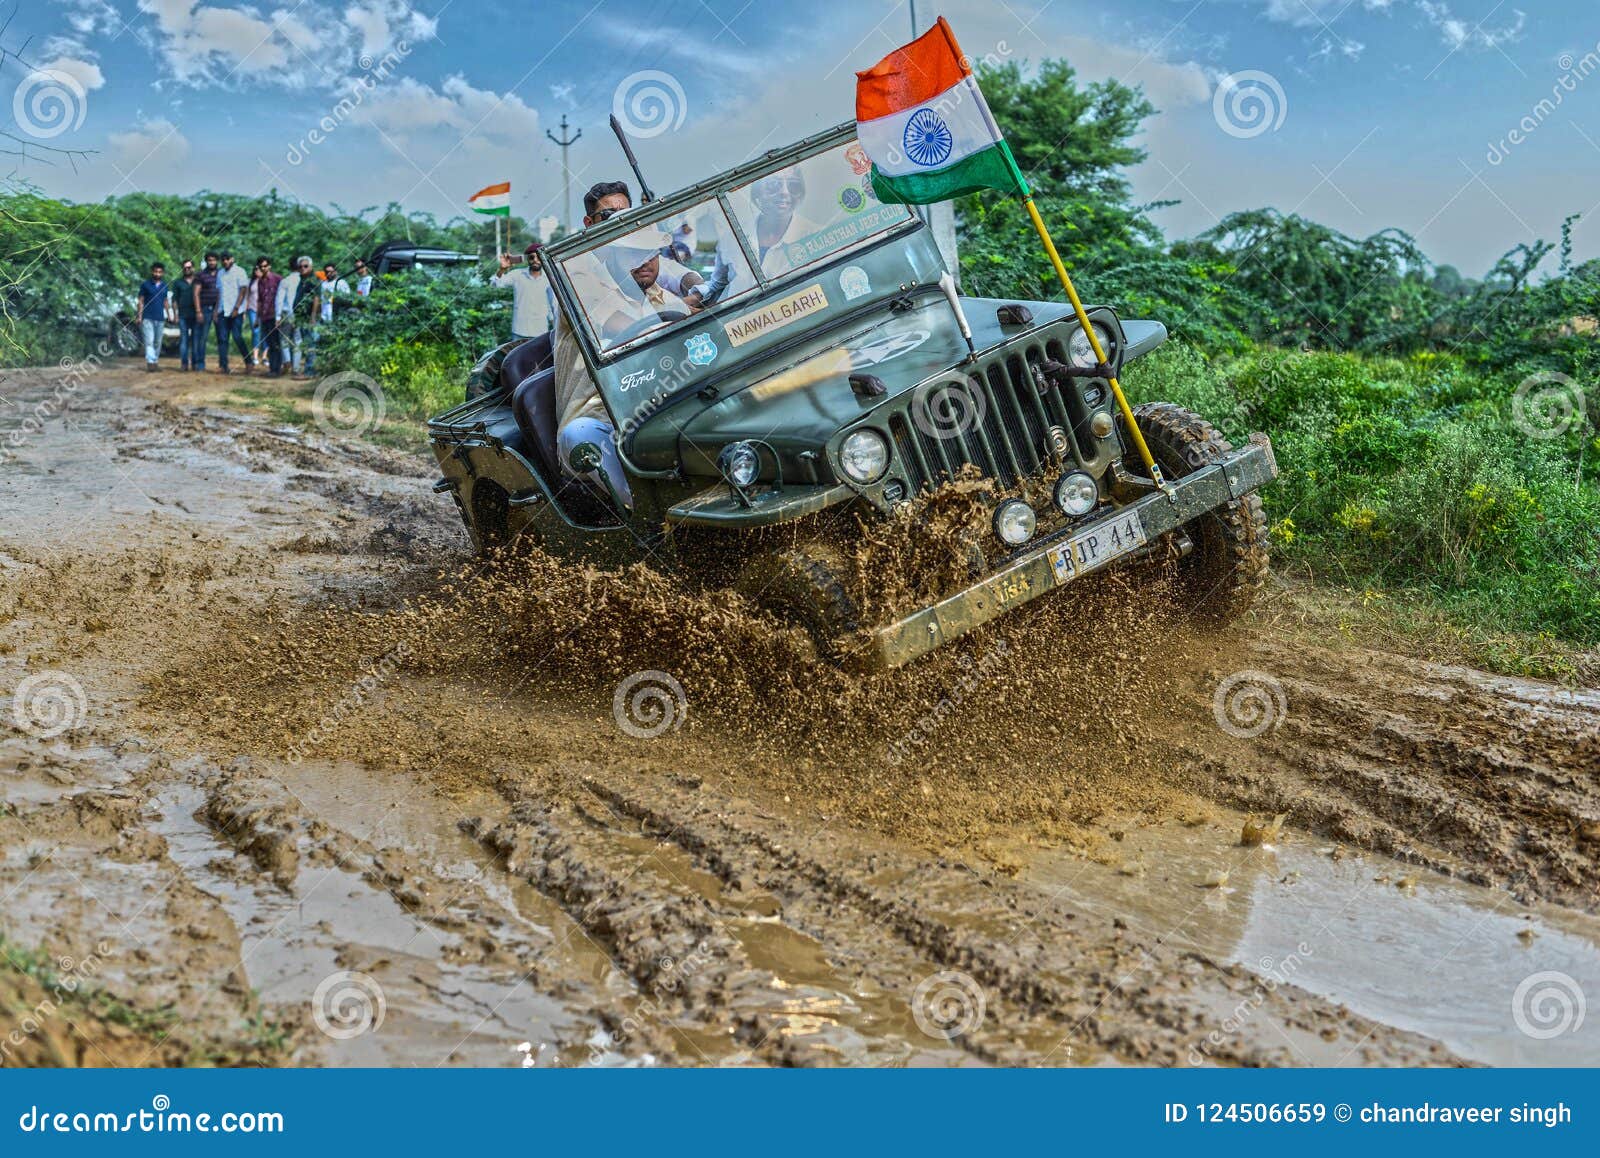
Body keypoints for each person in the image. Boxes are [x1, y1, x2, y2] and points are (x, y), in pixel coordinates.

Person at [490, 242, 552, 341]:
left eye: (539, 257)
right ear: (528, 259)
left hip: (541, 331)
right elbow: (495, 285)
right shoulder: (517, 275)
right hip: (519, 331)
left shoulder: (549, 278)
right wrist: (501, 269)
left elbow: (552, 303)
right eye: (532, 257)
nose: (535, 260)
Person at [213, 251, 251, 374]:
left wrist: (237, 307)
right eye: (223, 259)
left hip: (236, 311)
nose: (225, 261)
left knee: (237, 336)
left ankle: (248, 362)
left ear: (232, 259)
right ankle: (223, 365)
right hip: (223, 310)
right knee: (223, 338)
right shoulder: (220, 273)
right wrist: (216, 310)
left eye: (227, 259)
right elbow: (219, 292)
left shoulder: (240, 271)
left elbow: (243, 290)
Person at [136, 263, 171, 371]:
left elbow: (165, 301)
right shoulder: (145, 285)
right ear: (152, 272)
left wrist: (169, 315)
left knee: (157, 342)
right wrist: (139, 316)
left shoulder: (165, 285)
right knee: (149, 341)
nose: (157, 274)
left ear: (162, 273)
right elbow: (140, 301)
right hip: (147, 317)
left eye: (160, 272)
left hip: (160, 318)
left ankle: (155, 362)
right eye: (155, 271)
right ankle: (150, 363)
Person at [255, 257, 284, 377]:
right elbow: (260, 300)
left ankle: (276, 369)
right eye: (261, 266)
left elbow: (282, 297)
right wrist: (257, 317)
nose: (263, 268)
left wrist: (281, 315)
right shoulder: (260, 281)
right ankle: (273, 368)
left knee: (276, 342)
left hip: (275, 315)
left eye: (265, 266)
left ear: (269, 266)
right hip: (265, 315)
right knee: (270, 342)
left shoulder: (278, 279)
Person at [192, 252, 221, 370]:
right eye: (209, 260)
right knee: (202, 337)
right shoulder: (200, 275)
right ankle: (200, 364)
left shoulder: (221, 274)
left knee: (222, 337)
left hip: (220, 309)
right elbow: (195, 293)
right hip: (205, 309)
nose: (212, 262)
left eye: (214, 260)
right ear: (206, 261)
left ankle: (223, 364)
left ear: (217, 261)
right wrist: (198, 311)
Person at [174, 260, 201, 371]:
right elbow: (174, 300)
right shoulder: (178, 283)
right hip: (182, 315)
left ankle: (194, 363)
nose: (187, 270)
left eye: (189, 267)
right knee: (184, 339)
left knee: (195, 340)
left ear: (193, 268)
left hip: (196, 314)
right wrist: (175, 314)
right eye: (185, 268)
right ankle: (184, 364)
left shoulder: (198, 281)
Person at [246, 260, 265, 369]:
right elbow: (247, 296)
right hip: (252, 309)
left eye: (259, 269)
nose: (257, 271)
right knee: (256, 331)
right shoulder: (251, 282)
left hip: (264, 310)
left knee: (265, 332)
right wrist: (245, 310)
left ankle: (265, 356)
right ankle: (255, 356)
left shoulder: (266, 281)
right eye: (256, 269)